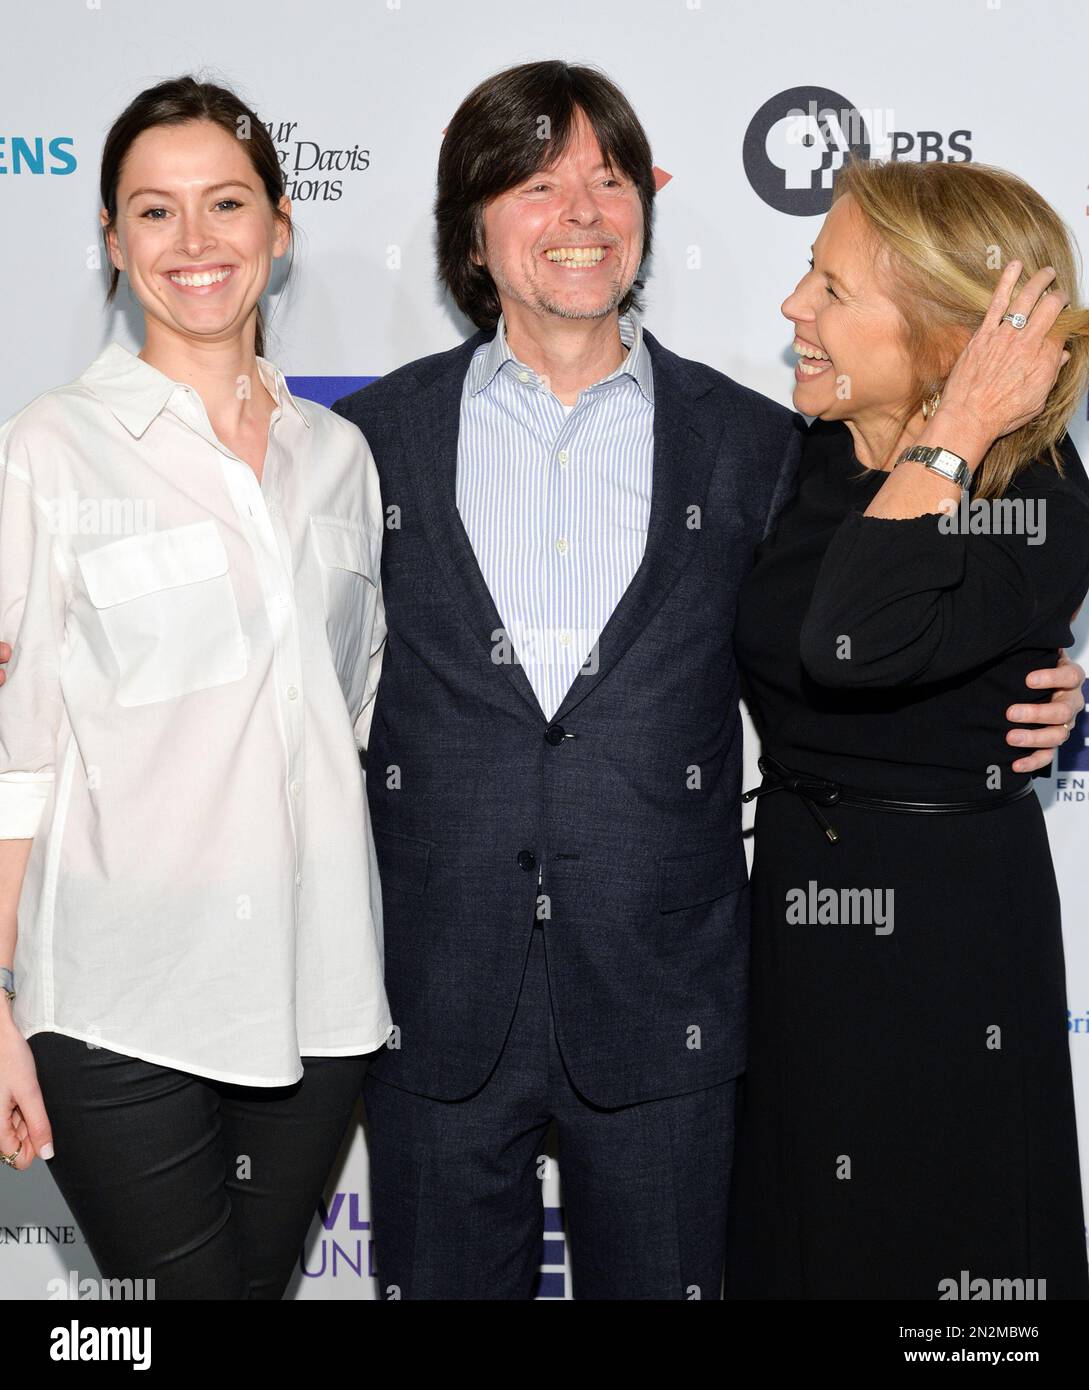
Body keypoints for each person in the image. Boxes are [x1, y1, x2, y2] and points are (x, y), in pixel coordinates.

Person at [329, 62, 1084, 1299]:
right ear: (472, 226)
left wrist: (1048, 674)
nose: (581, 210)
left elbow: (895, 605)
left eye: (609, 177)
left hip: (674, 1009)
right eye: (535, 181)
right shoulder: (365, 441)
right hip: (435, 1005)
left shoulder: (762, 443)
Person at [0, 76, 390, 1299]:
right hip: (120, 999)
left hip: (320, 991)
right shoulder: (52, 448)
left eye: (225, 204)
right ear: (113, 246)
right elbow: (15, 752)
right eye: (153, 213)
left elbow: (347, 708)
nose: (195, 242)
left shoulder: (341, 457)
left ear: (280, 227)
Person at [726, 158, 1089, 1299]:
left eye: (832, 289)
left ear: (947, 337)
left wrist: (959, 429)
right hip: (792, 927)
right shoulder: (809, 454)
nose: (795, 308)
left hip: (944, 947)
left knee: (938, 1256)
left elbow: (850, 644)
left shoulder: (1037, 496)